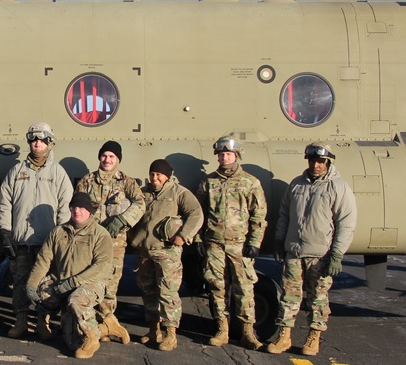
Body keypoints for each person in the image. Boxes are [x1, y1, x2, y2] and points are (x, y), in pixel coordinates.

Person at [266, 141, 357, 356]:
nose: (316, 165)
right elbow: (284, 215)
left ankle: (313, 337)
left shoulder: (338, 187)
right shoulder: (297, 185)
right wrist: (279, 240)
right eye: (313, 160)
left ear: (328, 162)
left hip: (320, 255)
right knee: (288, 296)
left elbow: (346, 223)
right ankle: (284, 336)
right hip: (295, 252)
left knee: (317, 298)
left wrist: (337, 254)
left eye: (320, 161)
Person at [0, 122, 73, 339]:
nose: (37, 144)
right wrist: (5, 230)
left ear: (49, 142)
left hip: (46, 243)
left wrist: (61, 237)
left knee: (45, 284)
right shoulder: (16, 172)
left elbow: (65, 206)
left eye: (41, 140)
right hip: (21, 241)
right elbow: (5, 203)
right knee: (20, 283)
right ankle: (20, 322)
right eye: (33, 140)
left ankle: (43, 322)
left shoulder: (58, 172)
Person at [196, 137, 267, 350]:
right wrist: (199, 238)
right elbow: (199, 213)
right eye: (221, 154)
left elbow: (259, 214)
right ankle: (222, 329)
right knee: (217, 288)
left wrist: (255, 242)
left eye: (228, 154)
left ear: (236, 156)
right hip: (214, 244)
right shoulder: (209, 182)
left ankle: (247, 332)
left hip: (239, 245)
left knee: (244, 289)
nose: (224, 158)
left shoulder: (249, 182)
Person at [25, 192, 113, 359]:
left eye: (81, 208)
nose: (77, 211)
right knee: (70, 340)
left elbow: (100, 266)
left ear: (89, 211)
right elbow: (44, 260)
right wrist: (31, 285)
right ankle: (43, 324)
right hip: (63, 282)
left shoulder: (100, 234)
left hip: (90, 284)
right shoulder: (58, 232)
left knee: (75, 301)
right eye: (74, 207)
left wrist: (72, 283)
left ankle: (93, 336)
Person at [129, 159, 203, 351]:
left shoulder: (178, 193)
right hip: (145, 251)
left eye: (159, 175)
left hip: (167, 252)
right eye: (152, 174)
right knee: (148, 291)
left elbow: (196, 213)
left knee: (168, 292)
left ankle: (171, 334)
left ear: (167, 176)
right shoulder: (143, 193)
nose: (155, 178)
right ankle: (154, 329)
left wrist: (183, 236)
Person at [74, 140, 142, 345]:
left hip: (115, 242)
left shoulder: (126, 182)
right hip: (91, 241)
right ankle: (93, 325)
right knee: (89, 280)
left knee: (111, 284)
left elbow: (140, 203)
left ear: (118, 159)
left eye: (112, 156)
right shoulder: (87, 181)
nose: (107, 160)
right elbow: (78, 207)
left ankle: (107, 323)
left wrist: (122, 220)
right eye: (104, 155)